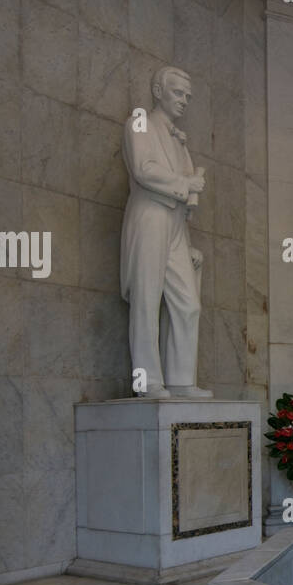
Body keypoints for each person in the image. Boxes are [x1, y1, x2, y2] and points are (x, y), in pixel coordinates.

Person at [120, 66, 211, 399]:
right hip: (150, 217)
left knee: (188, 304)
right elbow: (144, 170)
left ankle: (181, 380)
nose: (184, 101)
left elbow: (184, 193)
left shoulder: (179, 140)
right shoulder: (140, 123)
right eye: (177, 93)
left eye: (188, 96)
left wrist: (186, 238)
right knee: (146, 299)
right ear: (158, 91)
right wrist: (186, 184)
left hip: (174, 225)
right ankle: (148, 381)